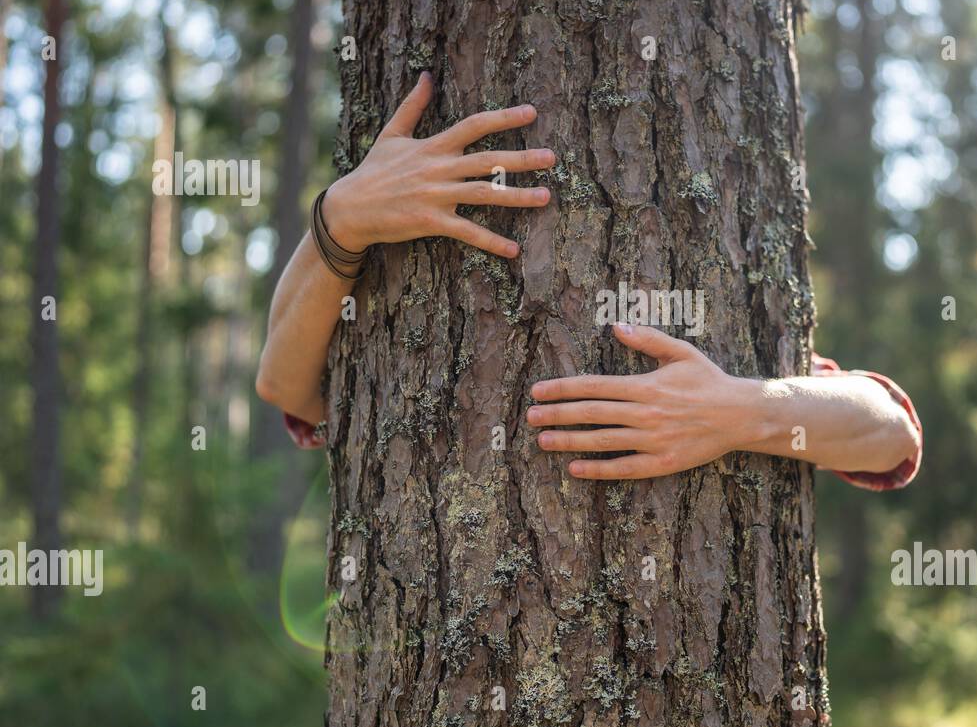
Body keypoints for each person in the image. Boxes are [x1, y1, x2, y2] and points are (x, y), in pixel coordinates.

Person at [256, 74, 921, 490]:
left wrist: (739, 411)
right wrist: (338, 221)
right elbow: (288, 388)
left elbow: (891, 434)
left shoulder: (754, 349)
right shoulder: (369, 330)